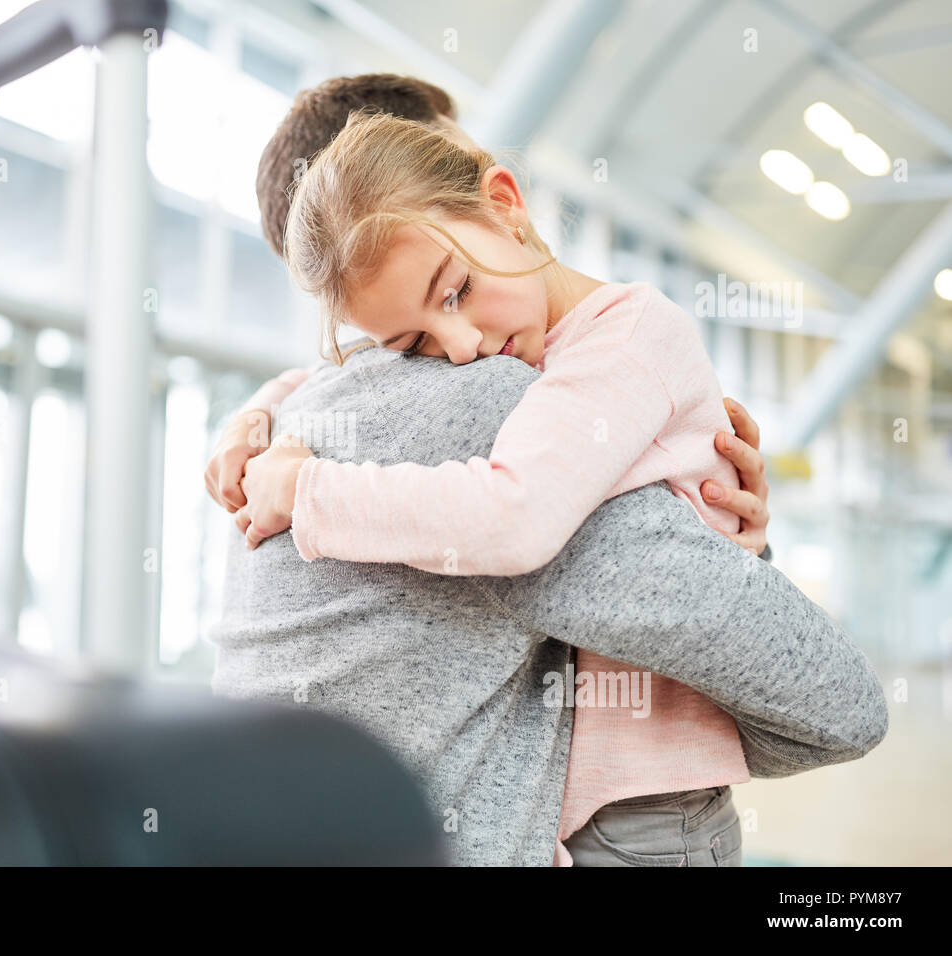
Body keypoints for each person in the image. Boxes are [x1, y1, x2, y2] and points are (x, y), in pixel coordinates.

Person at [205, 75, 883, 865]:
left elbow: (512, 517)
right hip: (601, 809)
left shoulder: (616, 341)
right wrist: (250, 415)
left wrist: (309, 488)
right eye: (412, 346)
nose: (458, 349)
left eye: (457, 290)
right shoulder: (499, 362)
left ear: (503, 202)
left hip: (651, 801)